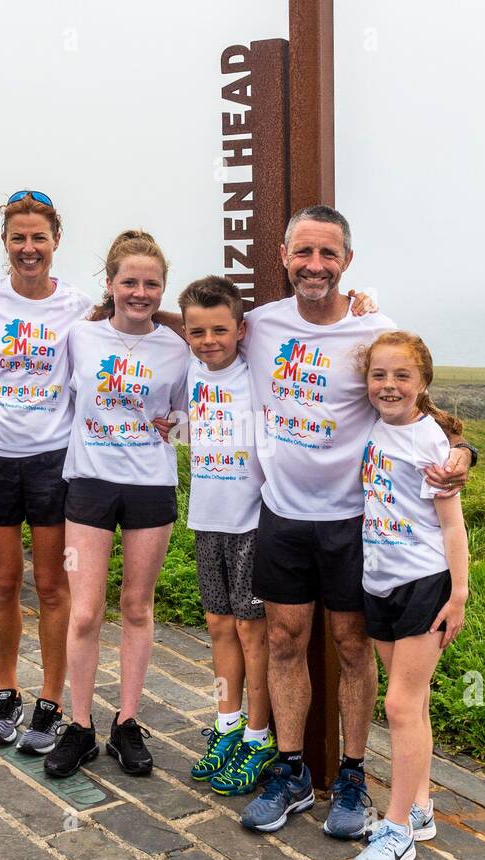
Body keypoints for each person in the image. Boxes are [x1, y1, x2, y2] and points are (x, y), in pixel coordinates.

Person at [237, 205, 477, 837]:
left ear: (346, 261)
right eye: (303, 253)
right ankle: (289, 772)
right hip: (283, 515)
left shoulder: (373, 326)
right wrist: (100, 311)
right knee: (285, 641)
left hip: (355, 523)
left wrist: (463, 451)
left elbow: (411, 396)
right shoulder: (258, 325)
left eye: (328, 254)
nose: (315, 265)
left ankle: (350, 777)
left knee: (351, 649)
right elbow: (188, 327)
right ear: (283, 256)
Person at [0, 190, 91, 755]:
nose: (28, 249)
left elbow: (136, 326)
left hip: (55, 462)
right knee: (2, 583)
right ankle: (7, 692)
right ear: (4, 242)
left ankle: (50, 701)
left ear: (56, 242)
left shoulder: (77, 306)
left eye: (39, 238)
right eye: (18, 238)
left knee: (54, 588)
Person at [43, 230, 191, 778]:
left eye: (151, 283)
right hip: (89, 484)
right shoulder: (80, 339)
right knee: (84, 611)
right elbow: (54, 398)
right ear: (110, 284)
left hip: (150, 486)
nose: (140, 291)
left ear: (162, 290)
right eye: (129, 281)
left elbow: (185, 418)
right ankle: (79, 726)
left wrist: (175, 424)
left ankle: (126, 722)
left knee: (136, 606)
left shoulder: (176, 349)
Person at [352, 331, 469, 860]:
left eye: (402, 376)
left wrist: (460, 594)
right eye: (379, 375)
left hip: (424, 583)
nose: (390, 385)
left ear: (423, 382)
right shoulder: (372, 426)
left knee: (399, 704)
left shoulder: (431, 443)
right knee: (412, 703)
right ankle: (420, 807)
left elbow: (452, 526)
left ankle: (396, 830)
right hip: (378, 581)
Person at [175, 276, 277, 796]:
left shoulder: (255, 370)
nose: (209, 339)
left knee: (251, 629)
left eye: (220, 329)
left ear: (241, 329)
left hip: (253, 522)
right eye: (198, 331)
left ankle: (260, 736)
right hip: (206, 519)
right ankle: (228, 724)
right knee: (218, 624)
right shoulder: (190, 368)